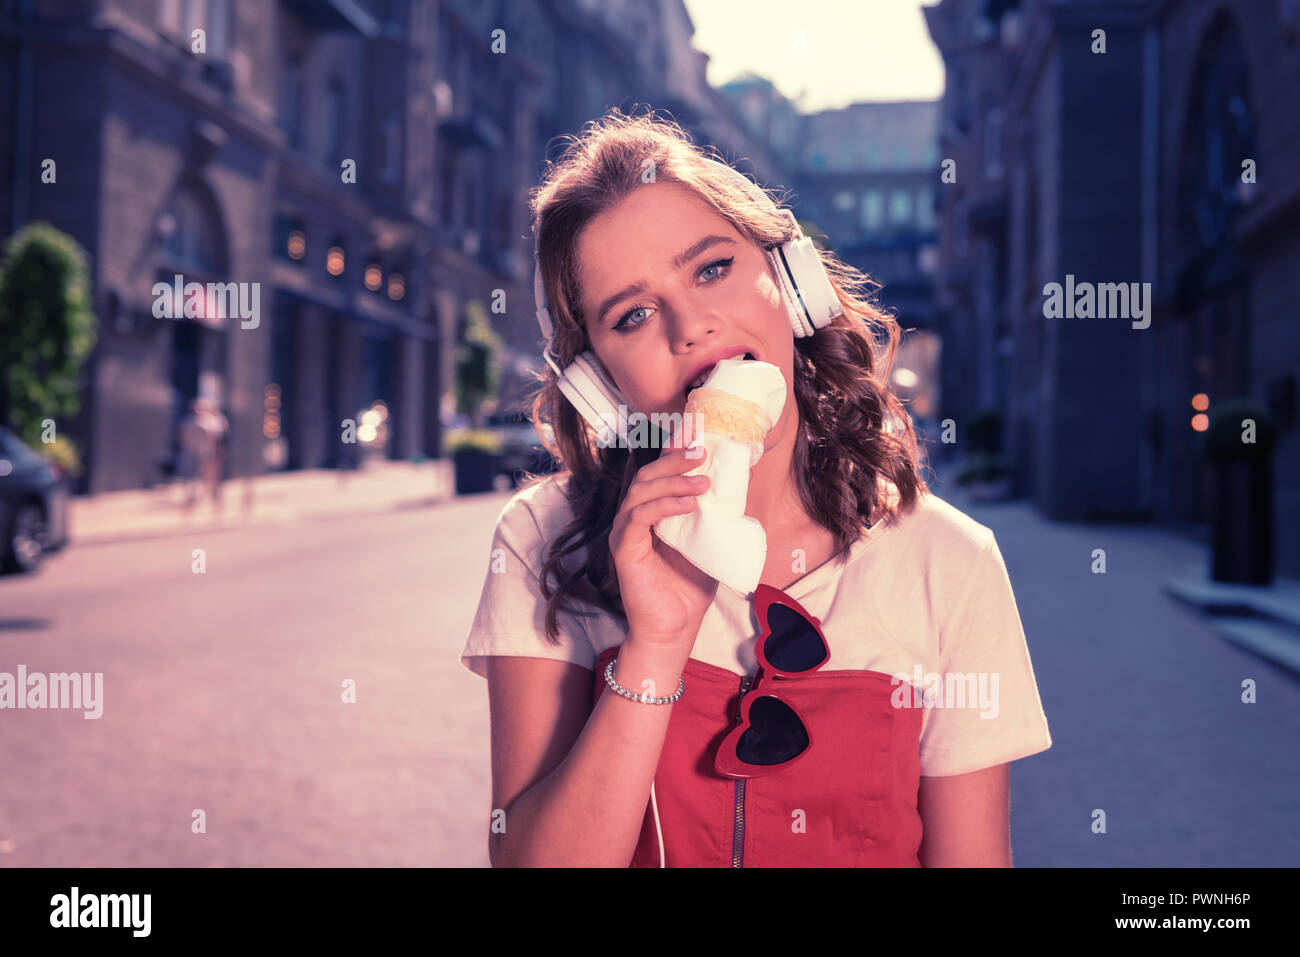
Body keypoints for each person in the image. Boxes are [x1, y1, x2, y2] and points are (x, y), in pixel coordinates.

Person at [459, 111, 1051, 867]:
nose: (692, 325)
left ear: (792, 285)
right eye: (632, 314)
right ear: (600, 387)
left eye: (712, 268)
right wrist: (655, 648)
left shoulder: (953, 562)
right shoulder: (541, 538)